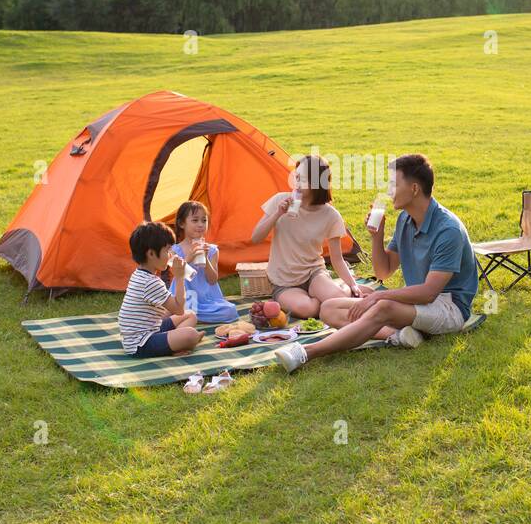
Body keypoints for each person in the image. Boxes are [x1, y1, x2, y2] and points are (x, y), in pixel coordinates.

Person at [274, 153, 477, 374]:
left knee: (382, 305)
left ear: (414, 189)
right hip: (418, 305)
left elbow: (429, 293)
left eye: (393, 184)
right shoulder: (406, 220)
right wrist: (376, 237)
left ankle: (307, 352)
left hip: (448, 308)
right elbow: (384, 271)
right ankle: (400, 336)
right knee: (329, 308)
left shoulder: (448, 230)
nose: (389, 191)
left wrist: (380, 295)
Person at [250, 154, 362, 318]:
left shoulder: (330, 215)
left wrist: (353, 284)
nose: (296, 184)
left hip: (314, 273)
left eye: (303, 179)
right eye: (296, 177)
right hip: (284, 282)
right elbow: (256, 237)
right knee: (309, 310)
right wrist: (277, 214)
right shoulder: (280, 201)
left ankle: (337, 293)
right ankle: (326, 297)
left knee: (341, 301)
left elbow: (337, 259)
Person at [118, 221, 202, 357]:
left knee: (191, 315)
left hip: (149, 329)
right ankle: (177, 344)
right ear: (151, 254)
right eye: (167, 250)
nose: (171, 255)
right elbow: (178, 309)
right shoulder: (150, 282)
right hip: (141, 343)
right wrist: (179, 277)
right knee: (190, 335)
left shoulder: (140, 274)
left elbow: (171, 308)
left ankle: (175, 342)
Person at [169, 200, 239, 323]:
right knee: (174, 310)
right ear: (181, 224)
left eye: (204, 220)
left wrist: (206, 259)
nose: (200, 224)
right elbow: (177, 274)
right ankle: (190, 316)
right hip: (185, 298)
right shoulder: (174, 251)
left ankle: (192, 318)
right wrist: (189, 258)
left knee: (230, 311)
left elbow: (212, 280)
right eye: (195, 220)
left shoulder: (212, 250)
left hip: (208, 300)